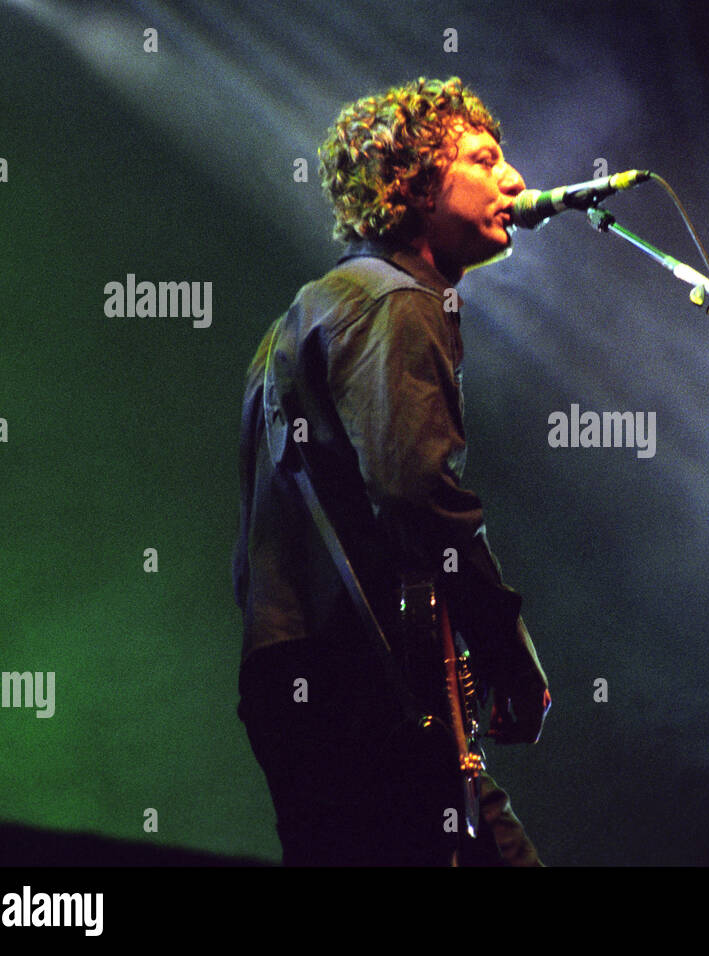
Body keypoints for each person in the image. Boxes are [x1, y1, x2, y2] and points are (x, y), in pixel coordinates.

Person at [232, 76, 550, 866]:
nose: (514, 178)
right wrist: (508, 650)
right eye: (485, 159)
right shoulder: (399, 302)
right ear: (412, 184)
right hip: (360, 685)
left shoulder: (308, 312)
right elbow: (418, 498)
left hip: (294, 671)